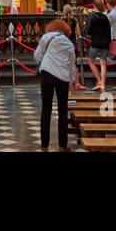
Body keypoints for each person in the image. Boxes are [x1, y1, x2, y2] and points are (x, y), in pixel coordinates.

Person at [33, 18, 77, 150]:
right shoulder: (68, 43)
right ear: (65, 30)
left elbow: (36, 56)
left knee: (46, 110)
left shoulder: (46, 37)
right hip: (62, 77)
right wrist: (71, 82)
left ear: (51, 27)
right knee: (62, 111)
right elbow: (71, 64)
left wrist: (46, 58)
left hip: (47, 74)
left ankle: (44, 145)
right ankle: (63, 144)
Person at [86, 0, 112, 91]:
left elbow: (88, 30)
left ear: (94, 6)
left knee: (90, 60)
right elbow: (109, 31)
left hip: (96, 43)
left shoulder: (92, 16)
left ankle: (99, 81)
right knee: (103, 63)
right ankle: (103, 85)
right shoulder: (105, 17)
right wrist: (109, 42)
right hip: (105, 43)